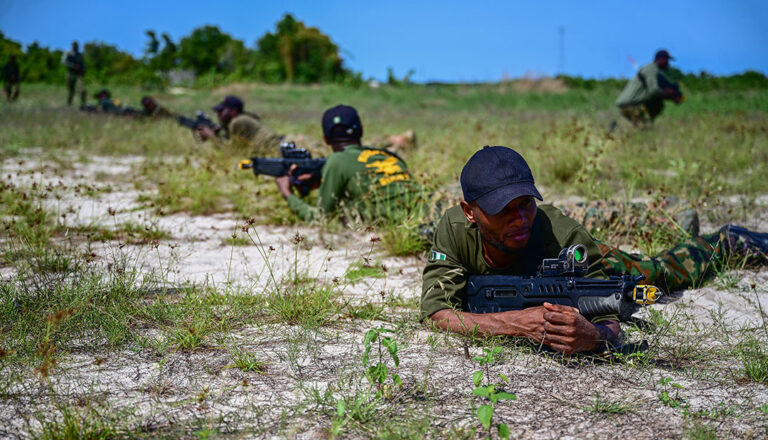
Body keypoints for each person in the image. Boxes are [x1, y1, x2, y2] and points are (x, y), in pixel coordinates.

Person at [421, 146, 768, 355]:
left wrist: (595, 338)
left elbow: (609, 320)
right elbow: (437, 312)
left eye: (526, 204)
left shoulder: (564, 237)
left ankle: (729, 239)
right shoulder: (453, 228)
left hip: (592, 263)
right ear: (470, 212)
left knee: (660, 271)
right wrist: (516, 324)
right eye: (502, 209)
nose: (520, 219)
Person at [275, 104, 419, 222]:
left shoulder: (336, 161)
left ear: (326, 139)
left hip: (406, 225)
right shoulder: (389, 156)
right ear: (361, 131)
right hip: (424, 212)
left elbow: (321, 218)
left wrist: (287, 194)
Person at [616, 50, 683, 126]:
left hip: (629, 104)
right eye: (666, 60)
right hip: (631, 104)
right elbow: (653, 90)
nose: (668, 63)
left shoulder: (653, 70)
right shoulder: (652, 70)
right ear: (660, 59)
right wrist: (668, 93)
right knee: (657, 103)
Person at [196, 95, 282, 154]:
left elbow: (232, 153)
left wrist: (211, 136)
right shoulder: (244, 118)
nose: (218, 115)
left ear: (233, 111)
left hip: (276, 150)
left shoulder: (238, 122)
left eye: (221, 111)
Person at [63, 41, 86, 107]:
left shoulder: (79, 55)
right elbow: (64, 62)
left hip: (78, 74)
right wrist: (73, 66)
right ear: (72, 46)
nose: (76, 47)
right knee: (71, 90)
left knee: (82, 89)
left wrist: (83, 70)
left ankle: (83, 104)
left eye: (77, 46)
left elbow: (82, 64)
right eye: (74, 46)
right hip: (70, 73)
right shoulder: (68, 53)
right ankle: (69, 104)